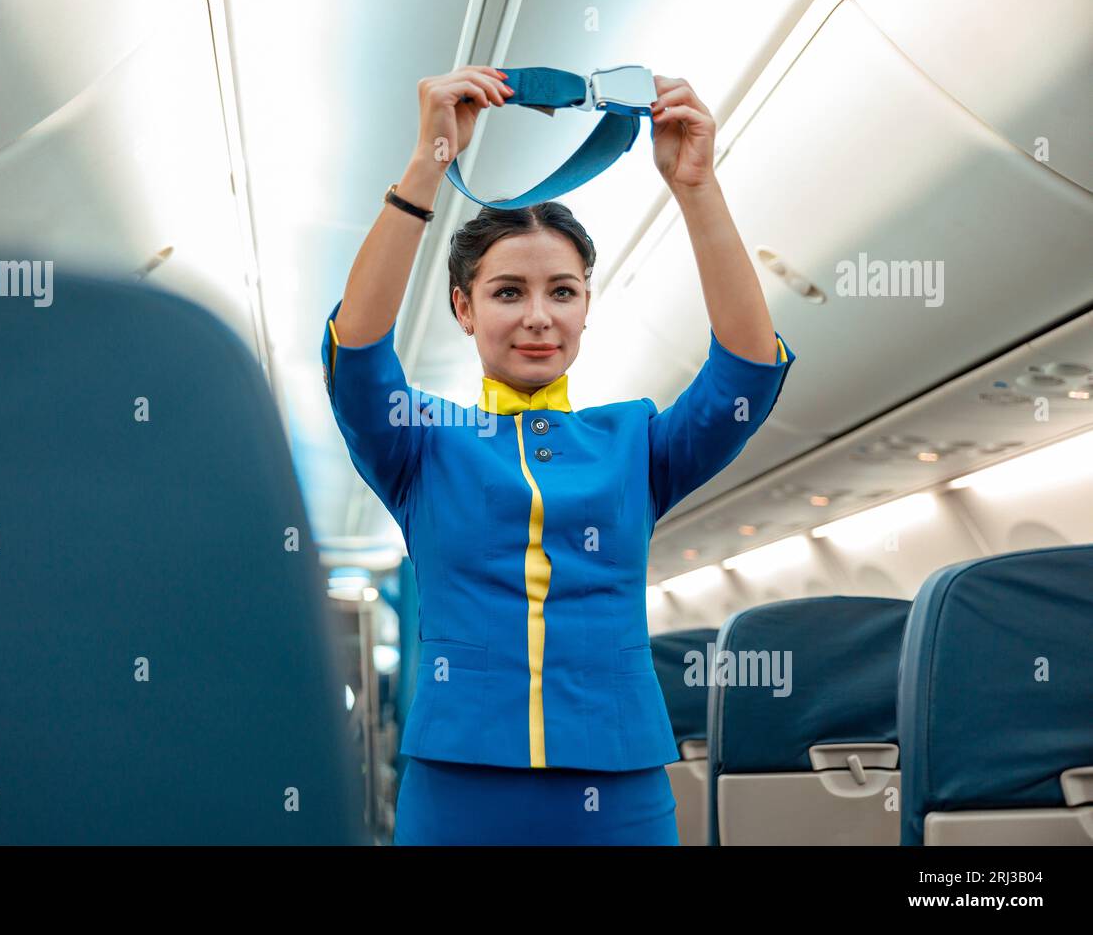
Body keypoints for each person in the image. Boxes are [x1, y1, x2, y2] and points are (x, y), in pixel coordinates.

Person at [321, 67, 796, 844]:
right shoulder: (420, 441)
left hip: (621, 787)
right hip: (459, 787)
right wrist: (430, 159)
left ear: (585, 305)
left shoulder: (635, 442)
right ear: (464, 308)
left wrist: (697, 188)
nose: (539, 317)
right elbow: (359, 350)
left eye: (563, 292)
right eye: (508, 292)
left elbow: (746, 371)